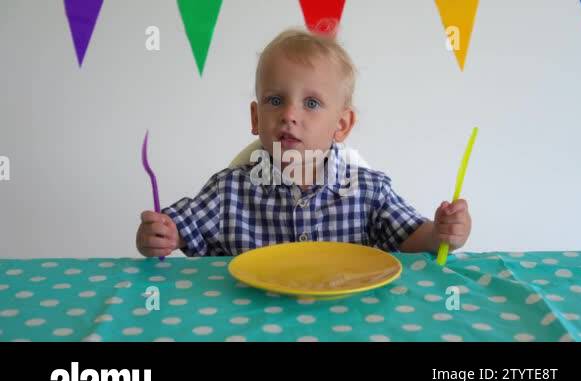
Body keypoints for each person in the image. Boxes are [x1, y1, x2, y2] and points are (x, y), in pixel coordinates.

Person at [136, 28, 471, 257]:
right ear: (256, 119)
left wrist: (443, 232)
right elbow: (179, 227)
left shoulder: (368, 193)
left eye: (311, 103)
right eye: (275, 100)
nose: (289, 115)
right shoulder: (229, 191)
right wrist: (162, 233)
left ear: (341, 125)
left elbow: (414, 236)